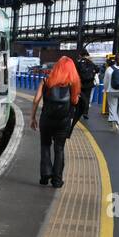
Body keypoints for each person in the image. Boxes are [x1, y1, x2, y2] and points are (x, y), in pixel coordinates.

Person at [30, 55, 81, 188]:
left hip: (46, 119)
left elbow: (36, 100)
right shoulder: (73, 82)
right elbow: (75, 101)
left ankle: (45, 175)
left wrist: (32, 118)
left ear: (57, 67)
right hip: (63, 122)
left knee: (45, 146)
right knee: (59, 149)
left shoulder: (46, 80)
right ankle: (57, 180)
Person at [73, 49, 98, 128]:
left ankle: (77, 110)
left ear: (80, 55)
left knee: (80, 97)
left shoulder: (79, 63)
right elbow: (97, 69)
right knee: (87, 98)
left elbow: (75, 72)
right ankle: (85, 112)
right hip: (89, 84)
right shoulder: (91, 62)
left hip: (80, 84)